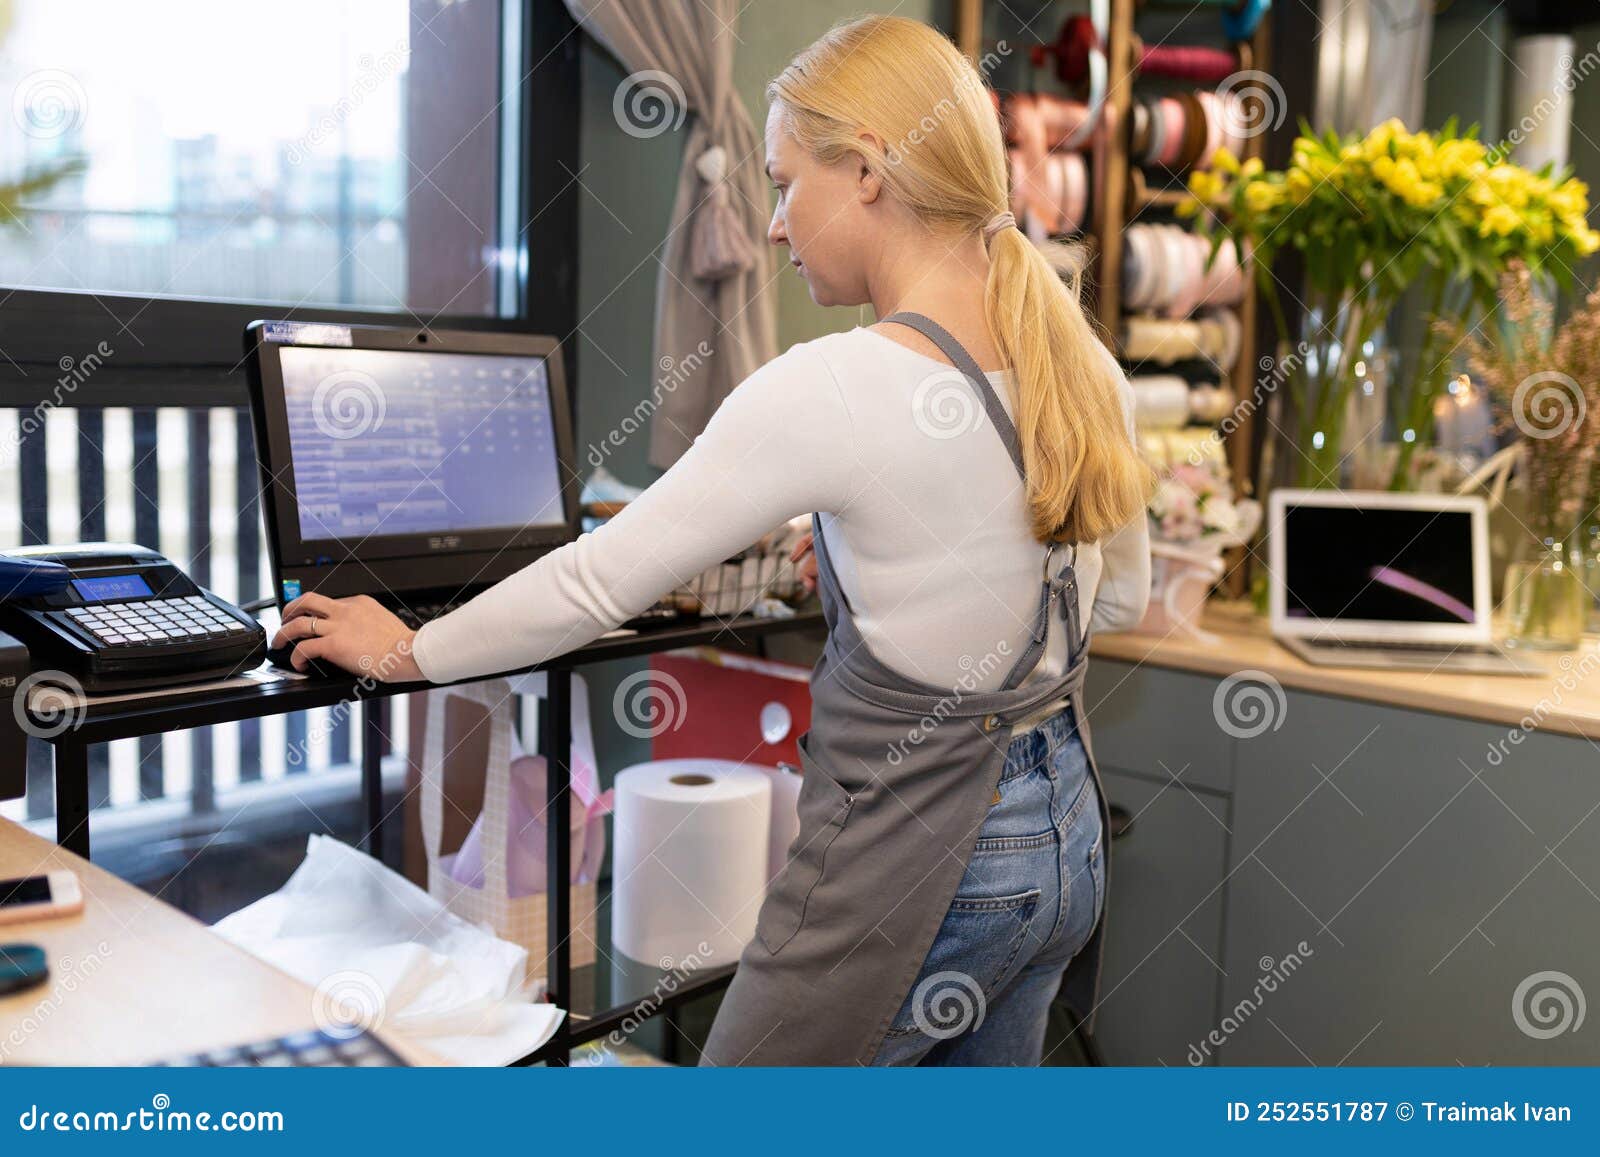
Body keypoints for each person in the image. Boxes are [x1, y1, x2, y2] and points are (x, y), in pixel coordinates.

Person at [270, 13, 1153, 1066]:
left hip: (922, 861)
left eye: (784, 184)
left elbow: (597, 583)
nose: (774, 225)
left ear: (866, 171)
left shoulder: (834, 384)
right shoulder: (1075, 358)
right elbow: (1113, 600)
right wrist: (893, 561)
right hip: (1062, 841)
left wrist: (407, 648)